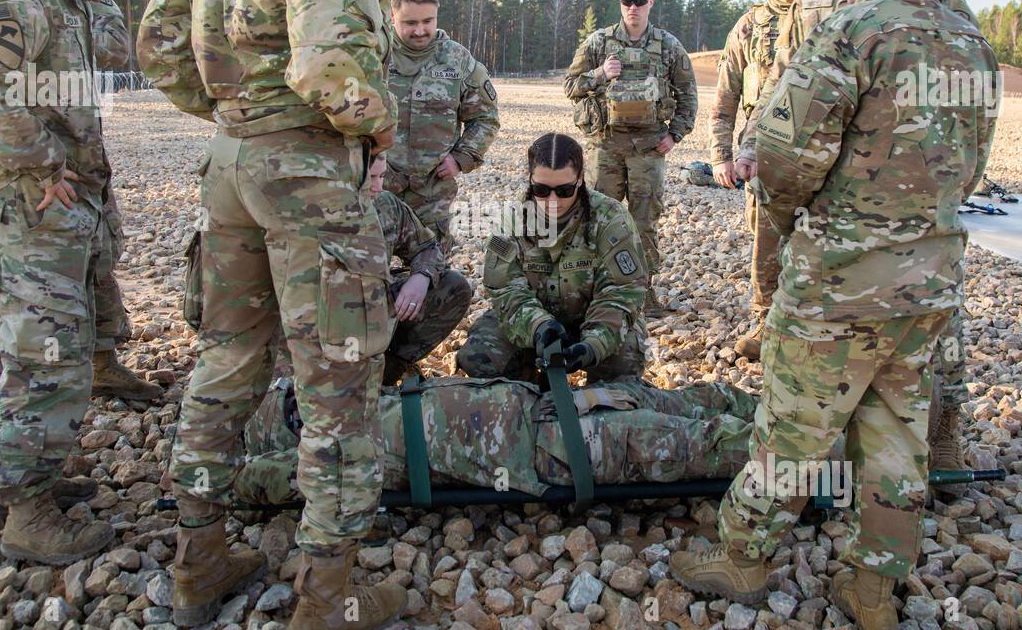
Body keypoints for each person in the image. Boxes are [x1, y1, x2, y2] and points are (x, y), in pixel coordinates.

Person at [668, 0, 999, 630]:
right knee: (896, 435)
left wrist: (792, 223)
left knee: (793, 427)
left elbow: (785, 159)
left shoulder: (854, 32)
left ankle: (744, 558)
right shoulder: (970, 41)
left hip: (840, 282)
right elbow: (968, 169)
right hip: (928, 279)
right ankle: (875, 586)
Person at [137, 0, 408, 630]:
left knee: (228, 356)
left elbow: (159, 45)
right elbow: (333, 65)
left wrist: (231, 113)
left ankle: (199, 557)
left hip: (231, 164)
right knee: (338, 384)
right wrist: (378, 125)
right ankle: (326, 597)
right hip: (308, 173)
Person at [736, 0, 978, 474]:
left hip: (912, 194)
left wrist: (944, 188)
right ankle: (837, 453)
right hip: (833, 187)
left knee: (931, 332)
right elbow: (788, 80)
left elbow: (968, 102)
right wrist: (755, 148)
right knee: (835, 329)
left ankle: (942, 442)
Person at [0, 0, 156, 566]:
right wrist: (41, 159)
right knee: (47, 360)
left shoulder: (66, 1)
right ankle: (27, 514)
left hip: (57, 208)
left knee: (50, 352)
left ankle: (24, 481)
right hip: (26, 209)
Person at [235, 374, 757, 506]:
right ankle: (810, 455)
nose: (304, 397)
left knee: (686, 400)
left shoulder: (363, 400)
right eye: (293, 409)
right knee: (703, 445)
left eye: (293, 395)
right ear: (294, 435)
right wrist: (205, 473)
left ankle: (789, 409)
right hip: (548, 455)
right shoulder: (334, 459)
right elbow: (256, 481)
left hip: (547, 401)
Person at [456, 133, 650, 382]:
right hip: (532, 321)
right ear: (530, 179)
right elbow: (505, 290)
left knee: (624, 362)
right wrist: (539, 327)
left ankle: (597, 407)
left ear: (580, 179)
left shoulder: (611, 219)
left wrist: (592, 347)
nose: (553, 201)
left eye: (564, 190)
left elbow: (622, 293)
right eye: (541, 190)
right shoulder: (512, 220)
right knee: (480, 354)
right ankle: (529, 392)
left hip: (593, 320)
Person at [564, 0, 698, 316]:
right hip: (606, 146)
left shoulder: (668, 45)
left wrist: (675, 134)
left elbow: (688, 94)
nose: (633, 7)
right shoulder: (598, 43)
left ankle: (643, 290)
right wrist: (599, 75)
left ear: (651, 2)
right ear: (620, 2)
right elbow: (570, 86)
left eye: (640, 0)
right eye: (627, 1)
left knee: (644, 221)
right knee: (597, 220)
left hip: (649, 149)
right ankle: (594, 290)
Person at [709, 0, 814, 361]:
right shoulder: (750, 26)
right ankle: (766, 321)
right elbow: (725, 96)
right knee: (765, 242)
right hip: (763, 153)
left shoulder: (829, 20)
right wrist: (721, 154)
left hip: (815, 150)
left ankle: (809, 324)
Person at [384, 0, 499, 253]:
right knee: (371, 272)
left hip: (432, 193)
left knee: (431, 270)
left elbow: (485, 118)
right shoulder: (376, 54)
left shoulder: (457, 60)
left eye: (428, 21)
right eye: (410, 23)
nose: (421, 30)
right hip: (379, 188)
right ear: (392, 16)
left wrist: (461, 159)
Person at [368, 154, 473, 384]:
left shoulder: (384, 204)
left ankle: (389, 369)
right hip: (326, 323)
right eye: (370, 178)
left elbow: (427, 247)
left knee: (453, 287)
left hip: (373, 309)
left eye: (382, 176)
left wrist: (422, 275)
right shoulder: (313, 211)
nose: (378, 186)